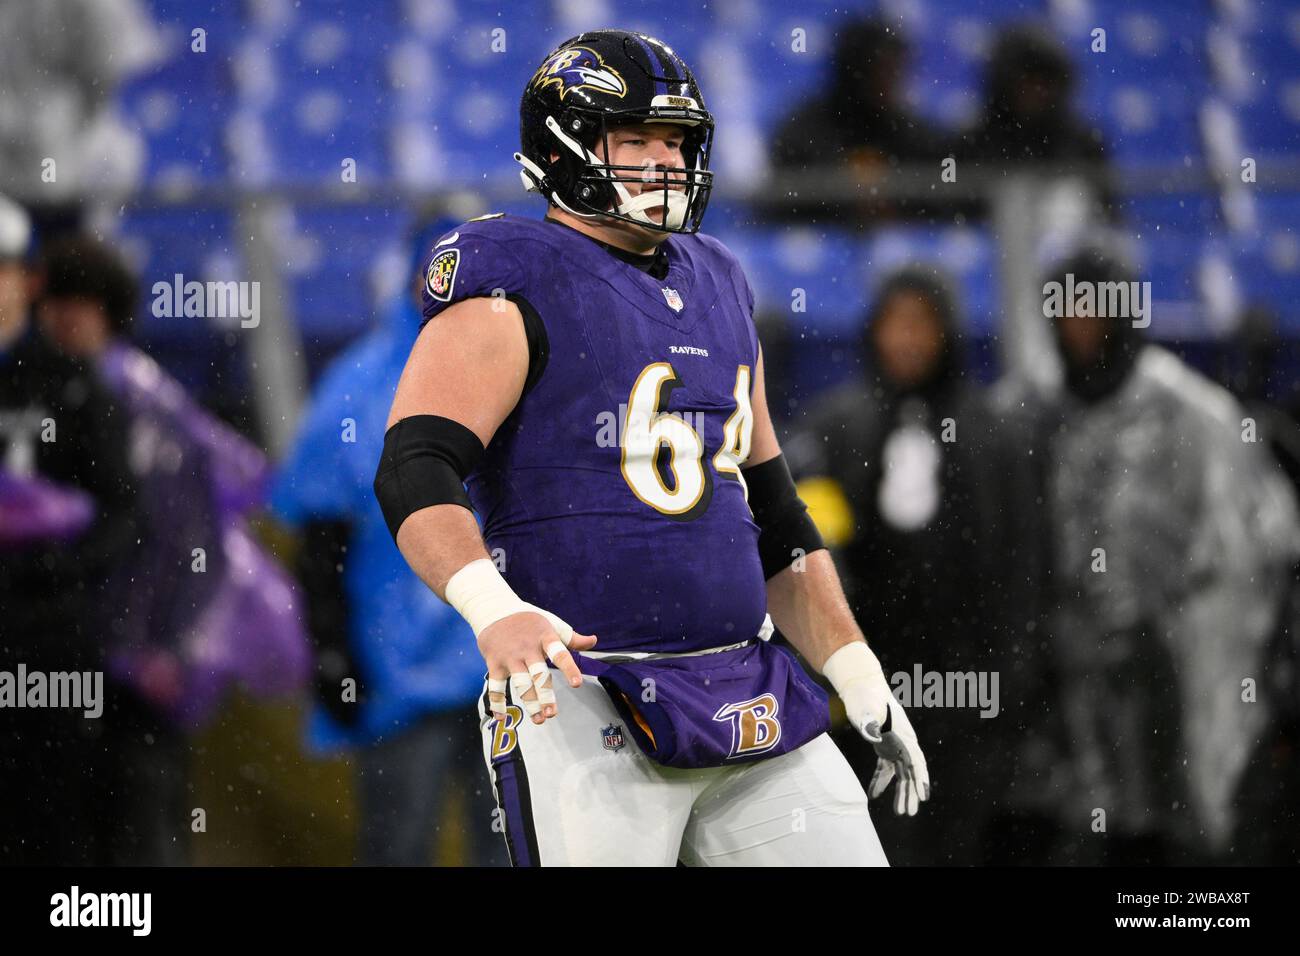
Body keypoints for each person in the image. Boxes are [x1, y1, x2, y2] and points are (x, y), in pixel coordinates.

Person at [375, 30, 929, 867]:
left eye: (675, 141)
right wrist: (495, 611)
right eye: (635, 139)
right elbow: (414, 468)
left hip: (748, 683)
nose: (663, 162)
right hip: (588, 695)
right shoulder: (513, 279)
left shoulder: (721, 281)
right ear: (563, 147)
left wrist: (852, 665)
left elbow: (775, 510)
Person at [35, 234, 309, 864]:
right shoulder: (51, 395)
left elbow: (184, 539)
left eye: (76, 306)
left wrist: (160, 647)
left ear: (105, 312)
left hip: (127, 661)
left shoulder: (142, 407)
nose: (61, 320)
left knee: (138, 832)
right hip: (68, 650)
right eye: (56, 305)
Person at [1029, 247, 1299, 864]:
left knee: (1199, 826)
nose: (1079, 326)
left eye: (1092, 309)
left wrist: (1181, 627)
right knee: (1106, 825)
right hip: (1083, 670)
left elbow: (1261, 545)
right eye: (1065, 311)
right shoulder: (1043, 414)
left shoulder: (1193, 415)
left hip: (1189, 659)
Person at [270, 218, 508, 867]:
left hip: (509, 666)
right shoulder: (356, 389)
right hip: (395, 672)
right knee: (399, 846)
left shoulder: (522, 371)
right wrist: (332, 652)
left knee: (517, 847)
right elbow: (320, 541)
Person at [785, 266, 1040, 864]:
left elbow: (1022, 566)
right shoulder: (833, 426)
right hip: (863, 686)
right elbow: (806, 557)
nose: (908, 340)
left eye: (922, 324)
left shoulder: (995, 436)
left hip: (969, 692)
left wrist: (1015, 681)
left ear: (948, 333)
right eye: (895, 324)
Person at [0, 202, 140, 865]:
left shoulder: (72, 386)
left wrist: (48, 568)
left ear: (27, 280)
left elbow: (121, 513)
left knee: (55, 821)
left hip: (47, 642)